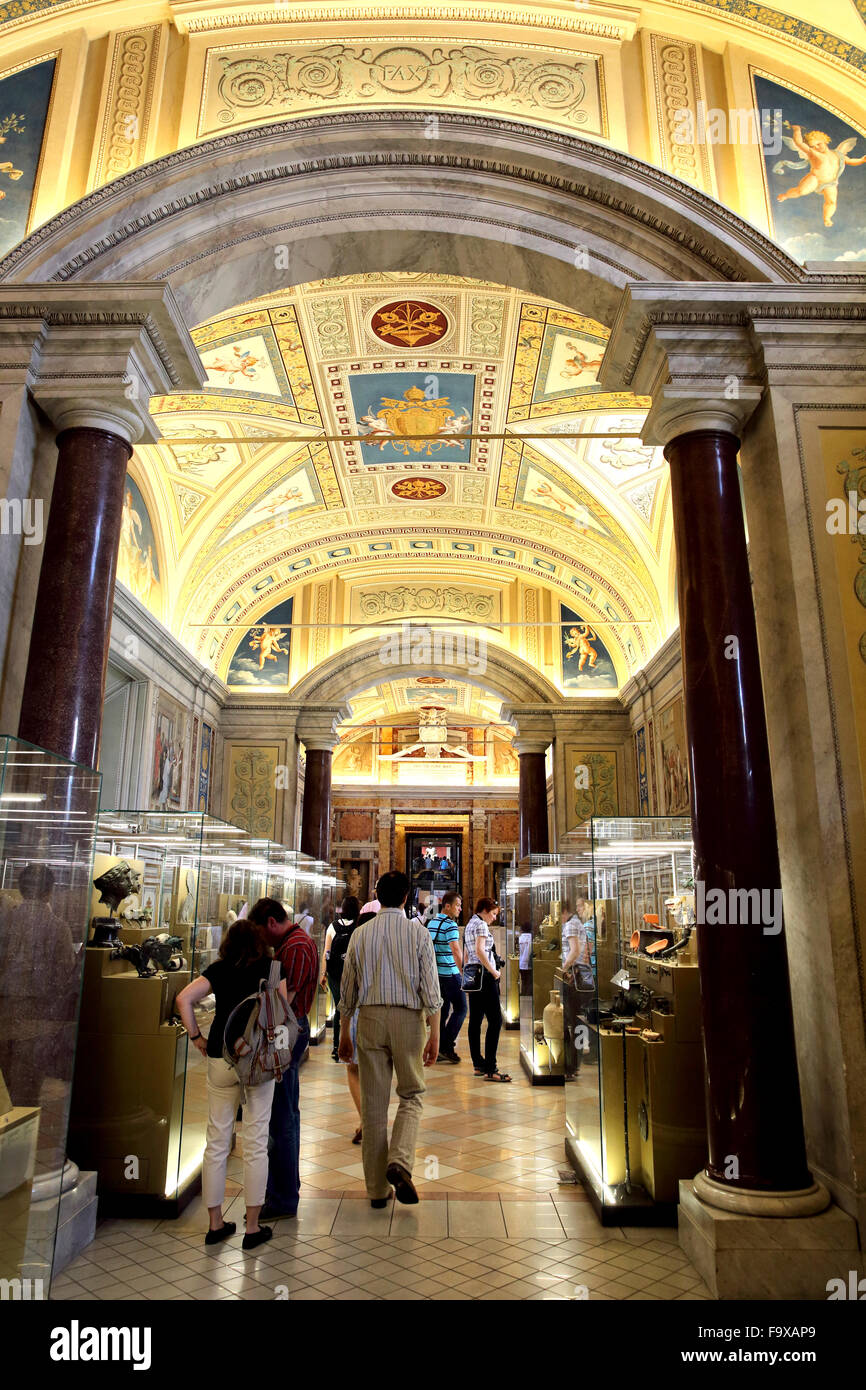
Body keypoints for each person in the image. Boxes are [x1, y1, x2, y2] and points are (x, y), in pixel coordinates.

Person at [175, 916, 289, 1249]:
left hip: (220, 1057)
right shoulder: (272, 969)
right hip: (257, 1061)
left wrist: (196, 1036)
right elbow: (282, 1012)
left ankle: (215, 1224)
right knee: (256, 1142)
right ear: (259, 941)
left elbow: (184, 999)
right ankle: (252, 1227)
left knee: (217, 1140)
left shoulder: (219, 969)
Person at [339, 871, 441, 1207]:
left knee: (373, 1105)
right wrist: (435, 1032)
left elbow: (347, 987)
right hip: (409, 1020)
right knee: (412, 1094)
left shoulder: (361, 934)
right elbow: (431, 988)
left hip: (368, 1019)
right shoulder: (418, 933)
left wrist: (344, 1031)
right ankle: (399, 1160)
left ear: (377, 895)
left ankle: (376, 1192)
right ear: (407, 896)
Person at [250, 897, 319, 1221]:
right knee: (287, 1112)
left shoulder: (295, 947)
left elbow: (283, 1002)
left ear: (272, 923)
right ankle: (286, 1188)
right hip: (292, 1028)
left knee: (282, 1117)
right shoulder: (296, 942)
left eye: (262, 932)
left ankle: (283, 1197)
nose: (263, 939)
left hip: (287, 1031)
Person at [464, 896, 511, 1082]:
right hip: (485, 976)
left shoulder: (470, 924)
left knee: (475, 1021)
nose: (494, 918)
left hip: (473, 977)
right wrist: (494, 972)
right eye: (493, 914)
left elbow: (468, 954)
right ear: (485, 909)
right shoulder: (481, 925)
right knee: (495, 1020)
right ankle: (491, 1068)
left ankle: (479, 1064)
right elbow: (480, 950)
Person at [426, 891, 466, 1064]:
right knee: (462, 1009)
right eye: (457, 905)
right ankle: (446, 1046)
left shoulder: (432, 922)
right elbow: (456, 950)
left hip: (436, 974)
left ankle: (440, 1046)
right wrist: (463, 972)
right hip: (450, 974)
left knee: (442, 1012)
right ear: (447, 906)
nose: (460, 909)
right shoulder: (450, 925)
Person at [321, 896, 360, 1062]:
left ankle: (337, 1047)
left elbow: (327, 952)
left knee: (339, 1008)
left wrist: (323, 973)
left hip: (335, 974)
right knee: (353, 1009)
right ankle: (353, 1045)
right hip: (353, 974)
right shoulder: (359, 926)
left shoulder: (333, 926)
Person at [560, 897, 595, 1079]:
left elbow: (575, 950)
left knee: (573, 1023)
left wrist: (563, 969)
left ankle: (572, 1065)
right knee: (575, 1022)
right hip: (576, 977)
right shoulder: (574, 923)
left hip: (574, 979)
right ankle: (573, 1064)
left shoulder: (571, 925)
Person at [518, 921, 533, 996]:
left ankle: (523, 992)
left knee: (523, 980)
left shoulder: (520, 938)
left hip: (521, 963)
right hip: (528, 963)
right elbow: (529, 952)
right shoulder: (530, 938)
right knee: (529, 980)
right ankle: (528, 993)